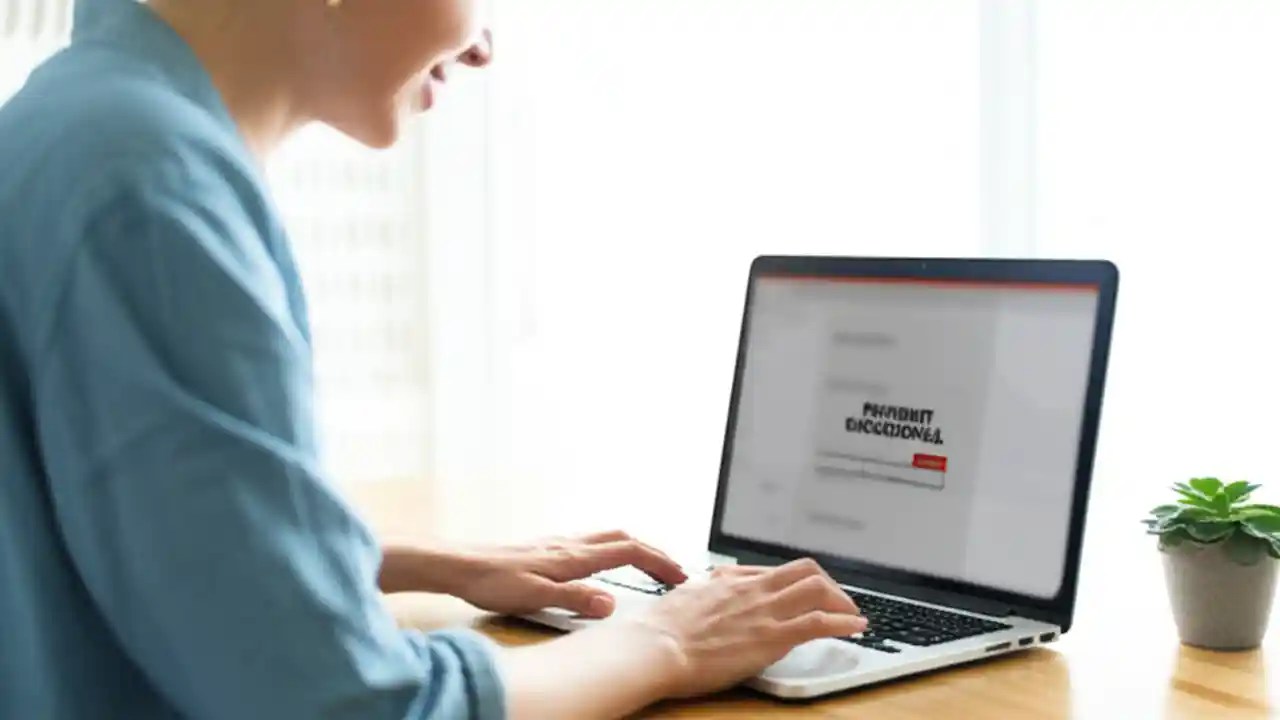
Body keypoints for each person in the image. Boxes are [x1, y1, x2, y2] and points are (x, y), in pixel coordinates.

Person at [0, 0, 868, 717]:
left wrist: (407, 560)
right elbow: (344, 705)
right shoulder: (150, 191)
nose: (485, 45)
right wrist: (669, 639)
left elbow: (124, 526)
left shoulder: (77, 122)